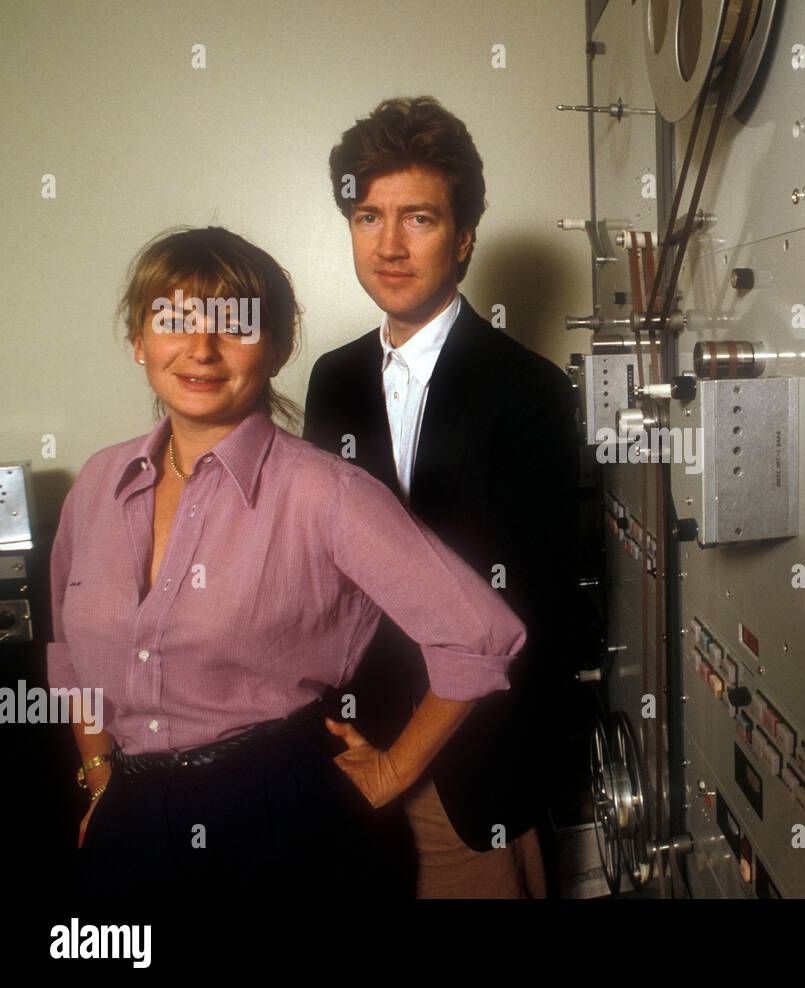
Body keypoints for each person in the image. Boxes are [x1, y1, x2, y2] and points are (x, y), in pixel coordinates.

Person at [47, 226, 526, 897]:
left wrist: (391, 772)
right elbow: (69, 652)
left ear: (277, 348)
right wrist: (98, 776)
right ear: (139, 341)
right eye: (174, 321)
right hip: (129, 818)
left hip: (280, 820)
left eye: (234, 326)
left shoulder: (328, 492)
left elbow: (481, 635)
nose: (202, 349)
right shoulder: (96, 485)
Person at [304, 96, 579, 898]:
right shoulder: (334, 377)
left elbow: (529, 614)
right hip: (356, 755)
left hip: (468, 777)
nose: (388, 245)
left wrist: (403, 765)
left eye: (417, 219)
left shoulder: (529, 391)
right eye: (367, 216)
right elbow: (333, 580)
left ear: (462, 240)